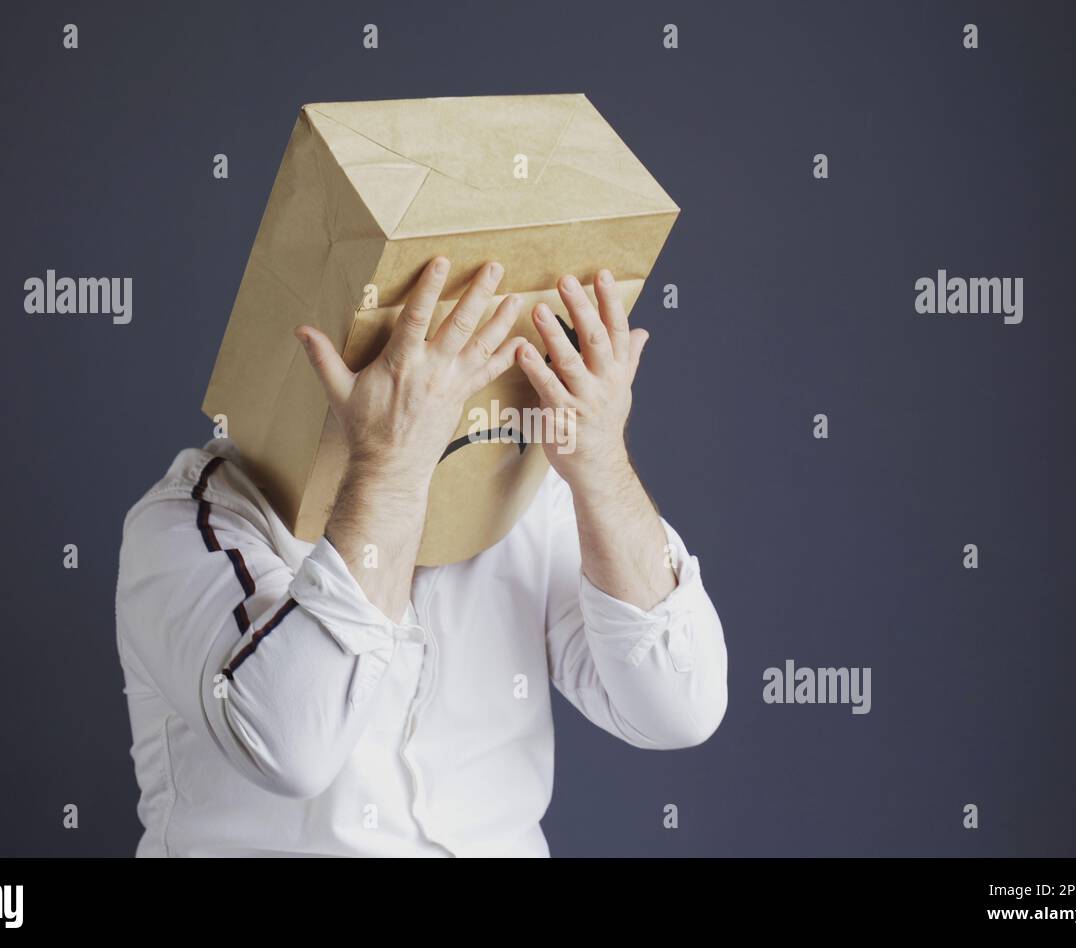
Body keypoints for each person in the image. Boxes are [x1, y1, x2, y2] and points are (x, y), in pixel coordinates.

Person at [115, 257, 728, 856]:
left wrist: (601, 465)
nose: (434, 377)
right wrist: (390, 461)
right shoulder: (185, 524)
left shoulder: (526, 502)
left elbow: (678, 706)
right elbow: (294, 748)